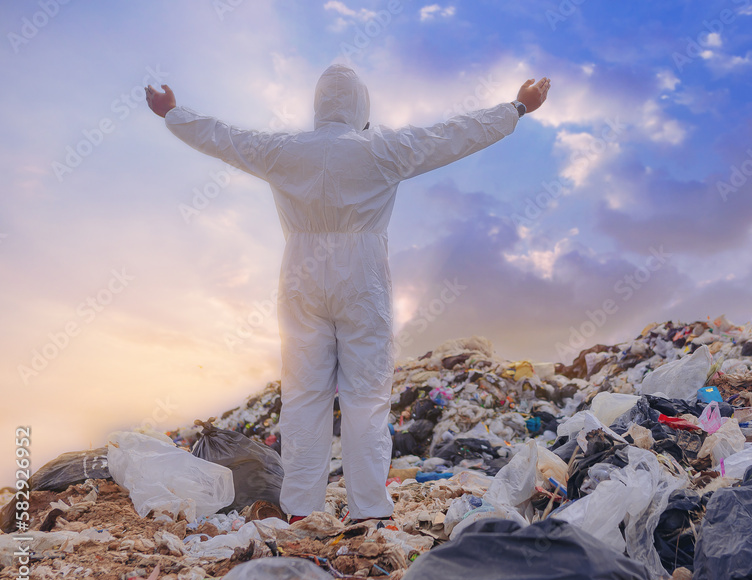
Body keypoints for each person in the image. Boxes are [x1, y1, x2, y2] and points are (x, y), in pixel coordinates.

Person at [146, 64, 550, 523]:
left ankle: (300, 509)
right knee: (366, 397)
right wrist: (517, 108)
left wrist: (173, 113)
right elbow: (454, 135)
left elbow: (224, 137)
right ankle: (368, 510)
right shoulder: (382, 147)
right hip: (363, 275)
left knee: (303, 397)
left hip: (301, 274)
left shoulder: (284, 150)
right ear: (361, 106)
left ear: (319, 105)